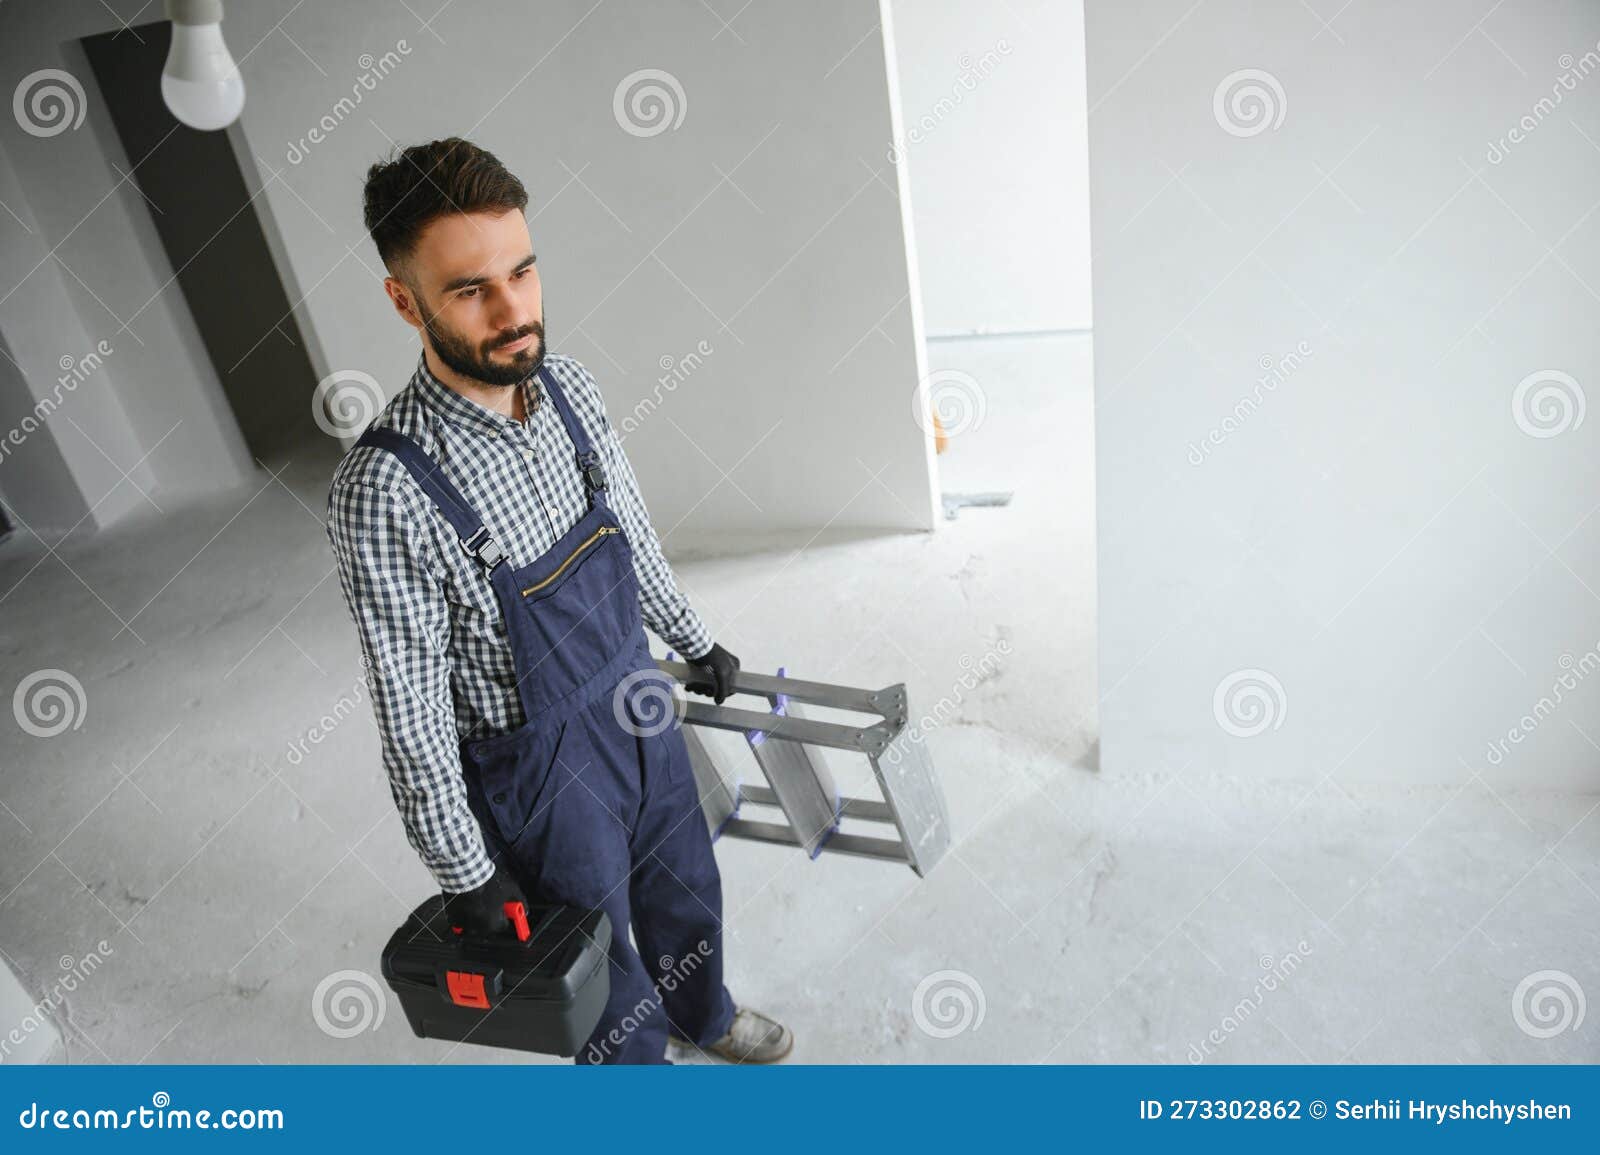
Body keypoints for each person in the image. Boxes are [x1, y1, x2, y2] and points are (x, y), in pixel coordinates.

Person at [325, 136, 791, 1065]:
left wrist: (695, 641)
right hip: (544, 780)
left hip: (639, 700)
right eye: (470, 290)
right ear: (403, 300)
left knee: (684, 886)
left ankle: (704, 1013)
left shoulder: (569, 389)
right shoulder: (386, 488)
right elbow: (410, 712)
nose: (513, 311)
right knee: (603, 969)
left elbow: (635, 534)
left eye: (524, 271)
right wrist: (467, 870)